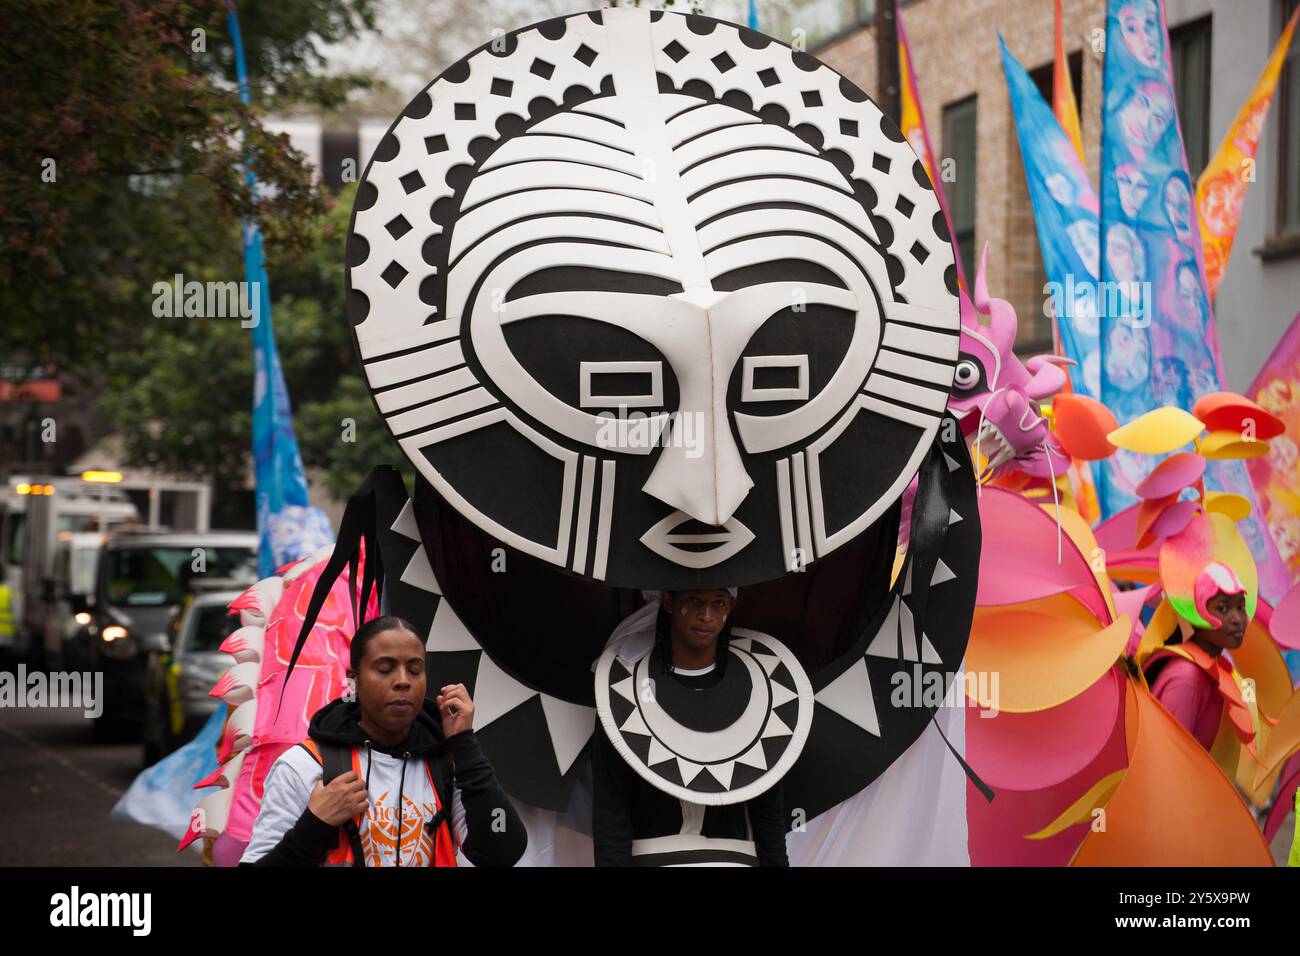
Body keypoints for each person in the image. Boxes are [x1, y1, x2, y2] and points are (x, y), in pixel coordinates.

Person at [241, 615, 526, 866]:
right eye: (385, 669)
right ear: (353, 679)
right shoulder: (303, 766)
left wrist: (464, 743)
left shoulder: (446, 762)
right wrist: (315, 823)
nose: (403, 681)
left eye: (415, 670)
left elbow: (503, 852)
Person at [592, 589, 789, 867]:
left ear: (730, 607)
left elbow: (769, 816)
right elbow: (611, 814)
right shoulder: (623, 693)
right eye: (694, 600)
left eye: (718, 603)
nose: (706, 616)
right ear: (670, 602)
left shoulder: (763, 692)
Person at [1147, 564, 1249, 751]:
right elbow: (1168, 762)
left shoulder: (1213, 669)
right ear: (1196, 614)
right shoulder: (1187, 679)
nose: (1237, 619)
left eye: (1241, 607)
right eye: (1223, 608)